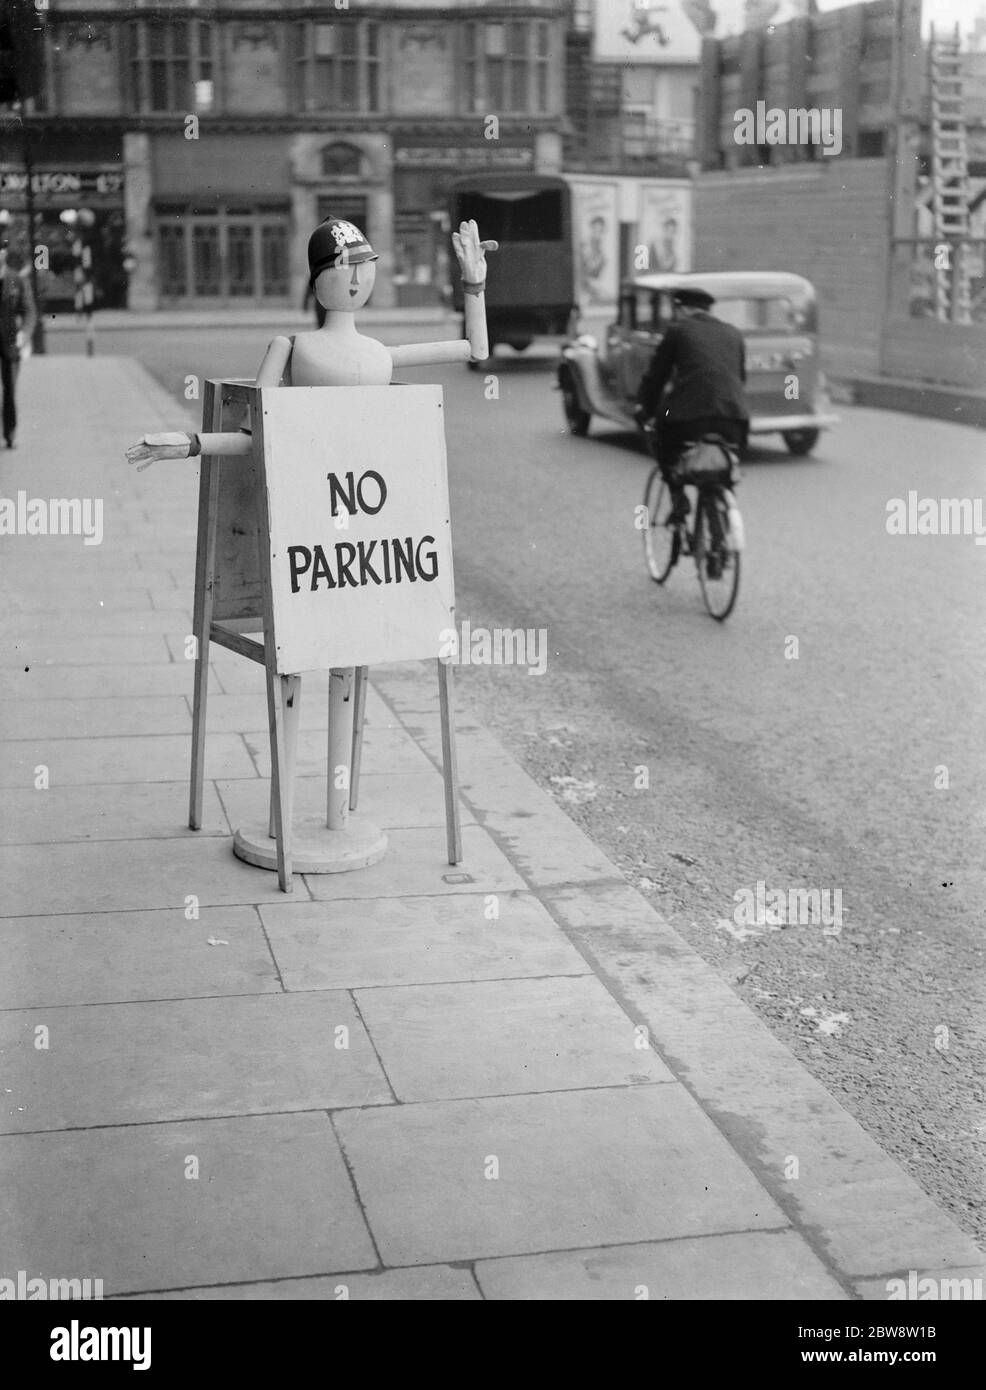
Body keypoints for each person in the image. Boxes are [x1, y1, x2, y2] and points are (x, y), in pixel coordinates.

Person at [635, 286, 748, 526]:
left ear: (683, 309)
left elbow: (657, 377)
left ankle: (678, 500)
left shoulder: (677, 331)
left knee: (662, 439)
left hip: (689, 420)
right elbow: (740, 379)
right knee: (726, 463)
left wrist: (645, 410)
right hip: (735, 419)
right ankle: (725, 506)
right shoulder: (734, 333)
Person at [0, 234, 37, 449]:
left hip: (10, 341)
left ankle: (10, 431)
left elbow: (29, 310)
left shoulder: (16, 280)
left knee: (9, 389)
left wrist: (25, 333)